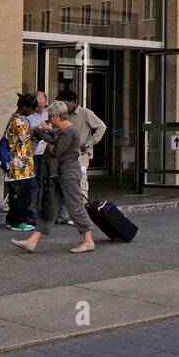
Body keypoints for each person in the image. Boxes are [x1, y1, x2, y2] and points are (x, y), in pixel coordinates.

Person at [12, 102, 96, 254]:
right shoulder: (62, 129)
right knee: (49, 206)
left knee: (75, 206)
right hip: (57, 174)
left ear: (58, 116)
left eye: (50, 116)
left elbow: (56, 150)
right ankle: (32, 241)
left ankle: (89, 241)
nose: (49, 119)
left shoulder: (69, 131)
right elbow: (56, 139)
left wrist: (46, 136)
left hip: (68, 174)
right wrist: (50, 133)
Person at [53, 88, 106, 223]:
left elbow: (101, 127)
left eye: (65, 103)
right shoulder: (63, 115)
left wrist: (89, 143)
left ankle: (81, 215)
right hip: (66, 154)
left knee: (81, 183)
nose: (64, 107)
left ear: (72, 102)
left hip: (81, 154)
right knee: (66, 182)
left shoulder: (85, 113)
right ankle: (67, 214)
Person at [3, 93, 38, 232]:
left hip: (19, 165)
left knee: (16, 195)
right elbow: (25, 137)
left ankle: (12, 219)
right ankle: (18, 221)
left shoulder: (16, 119)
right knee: (22, 195)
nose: (32, 112)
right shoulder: (17, 121)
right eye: (31, 109)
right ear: (24, 107)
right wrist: (37, 129)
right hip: (19, 166)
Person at [25, 89, 48, 222]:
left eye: (43, 105)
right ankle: (31, 210)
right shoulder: (28, 117)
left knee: (47, 181)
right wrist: (36, 130)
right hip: (33, 152)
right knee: (32, 183)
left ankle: (47, 208)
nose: (40, 108)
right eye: (38, 106)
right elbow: (25, 135)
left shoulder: (48, 114)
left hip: (47, 152)